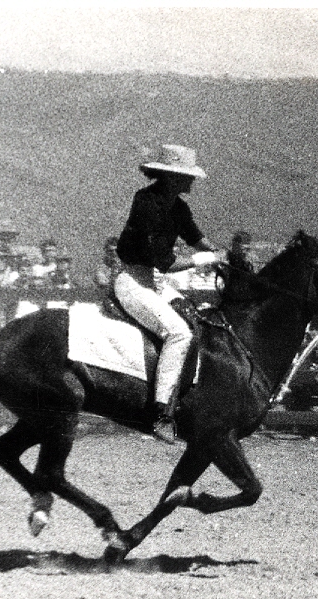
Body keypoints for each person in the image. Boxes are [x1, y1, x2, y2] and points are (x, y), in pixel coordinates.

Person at [114, 143, 220, 443]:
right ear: (171, 176)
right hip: (134, 281)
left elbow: (197, 238)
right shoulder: (146, 202)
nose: (192, 181)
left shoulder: (179, 207)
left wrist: (219, 253)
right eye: (187, 175)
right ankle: (162, 413)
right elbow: (160, 260)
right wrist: (206, 259)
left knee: (196, 321)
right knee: (179, 334)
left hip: (155, 283)